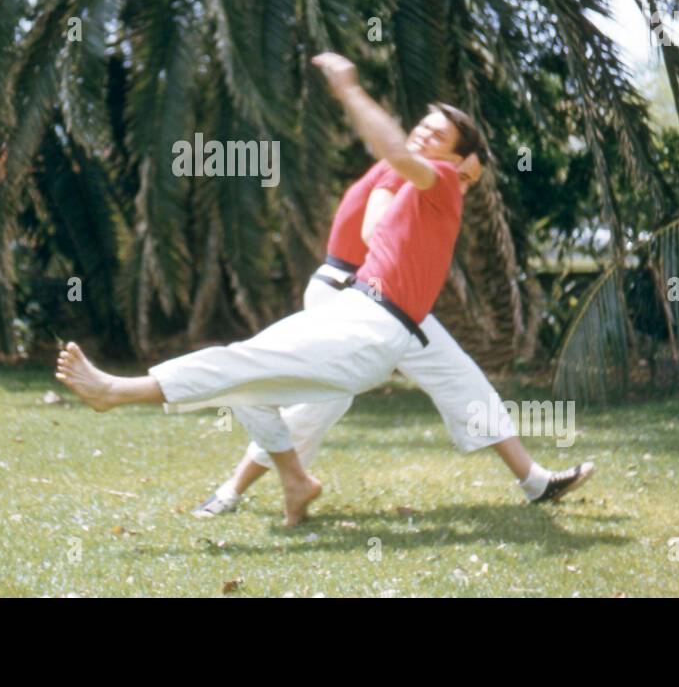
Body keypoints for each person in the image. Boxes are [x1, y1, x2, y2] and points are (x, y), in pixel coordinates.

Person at [57, 52, 592, 524]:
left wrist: (350, 91)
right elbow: (379, 212)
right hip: (355, 301)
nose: (426, 141)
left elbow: (394, 198)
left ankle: (131, 403)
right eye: (424, 131)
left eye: (443, 144)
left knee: (273, 377)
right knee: (260, 380)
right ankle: (285, 480)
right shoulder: (410, 174)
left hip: (375, 315)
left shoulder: (435, 181)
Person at [193, 105, 592, 518]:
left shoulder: (415, 171)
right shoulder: (404, 168)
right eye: (463, 176)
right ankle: (235, 490)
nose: (462, 187)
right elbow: (374, 230)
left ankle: (234, 491)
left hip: (370, 297)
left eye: (468, 182)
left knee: (422, 384)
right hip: (360, 296)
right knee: (436, 380)